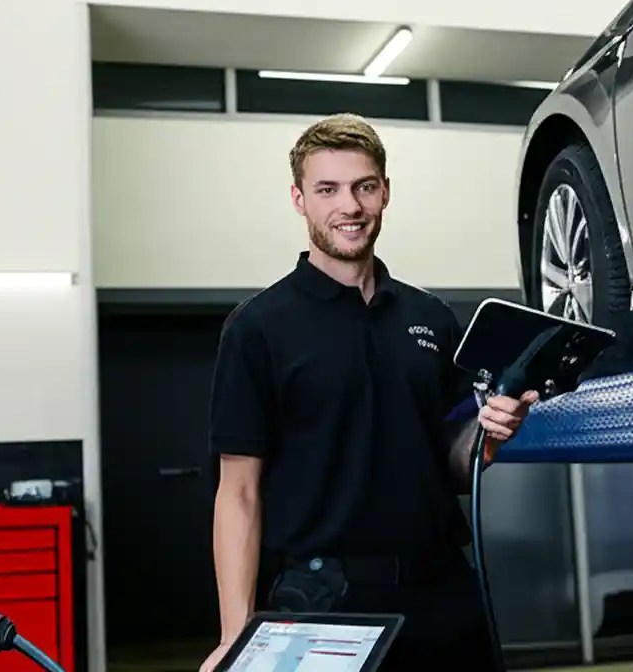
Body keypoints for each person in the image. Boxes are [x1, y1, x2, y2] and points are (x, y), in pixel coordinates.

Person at [199, 112, 539, 671]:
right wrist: (236, 633)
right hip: (321, 601)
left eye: (364, 187)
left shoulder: (431, 317)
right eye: (327, 189)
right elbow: (238, 492)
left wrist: (493, 430)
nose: (349, 207)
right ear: (299, 199)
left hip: (442, 592)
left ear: (385, 192)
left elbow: (454, 465)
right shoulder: (259, 327)